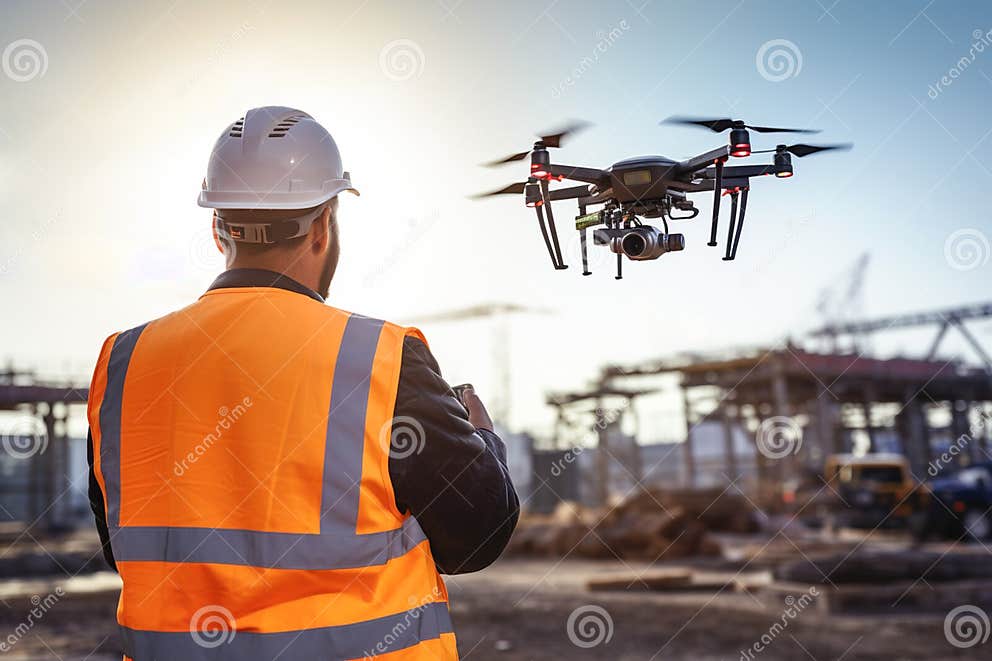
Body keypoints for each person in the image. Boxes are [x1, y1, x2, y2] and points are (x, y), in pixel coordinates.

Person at [86, 106, 519, 660]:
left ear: (218, 228)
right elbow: (474, 538)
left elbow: (120, 546)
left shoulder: (123, 362)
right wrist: (484, 440)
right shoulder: (381, 358)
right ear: (323, 225)